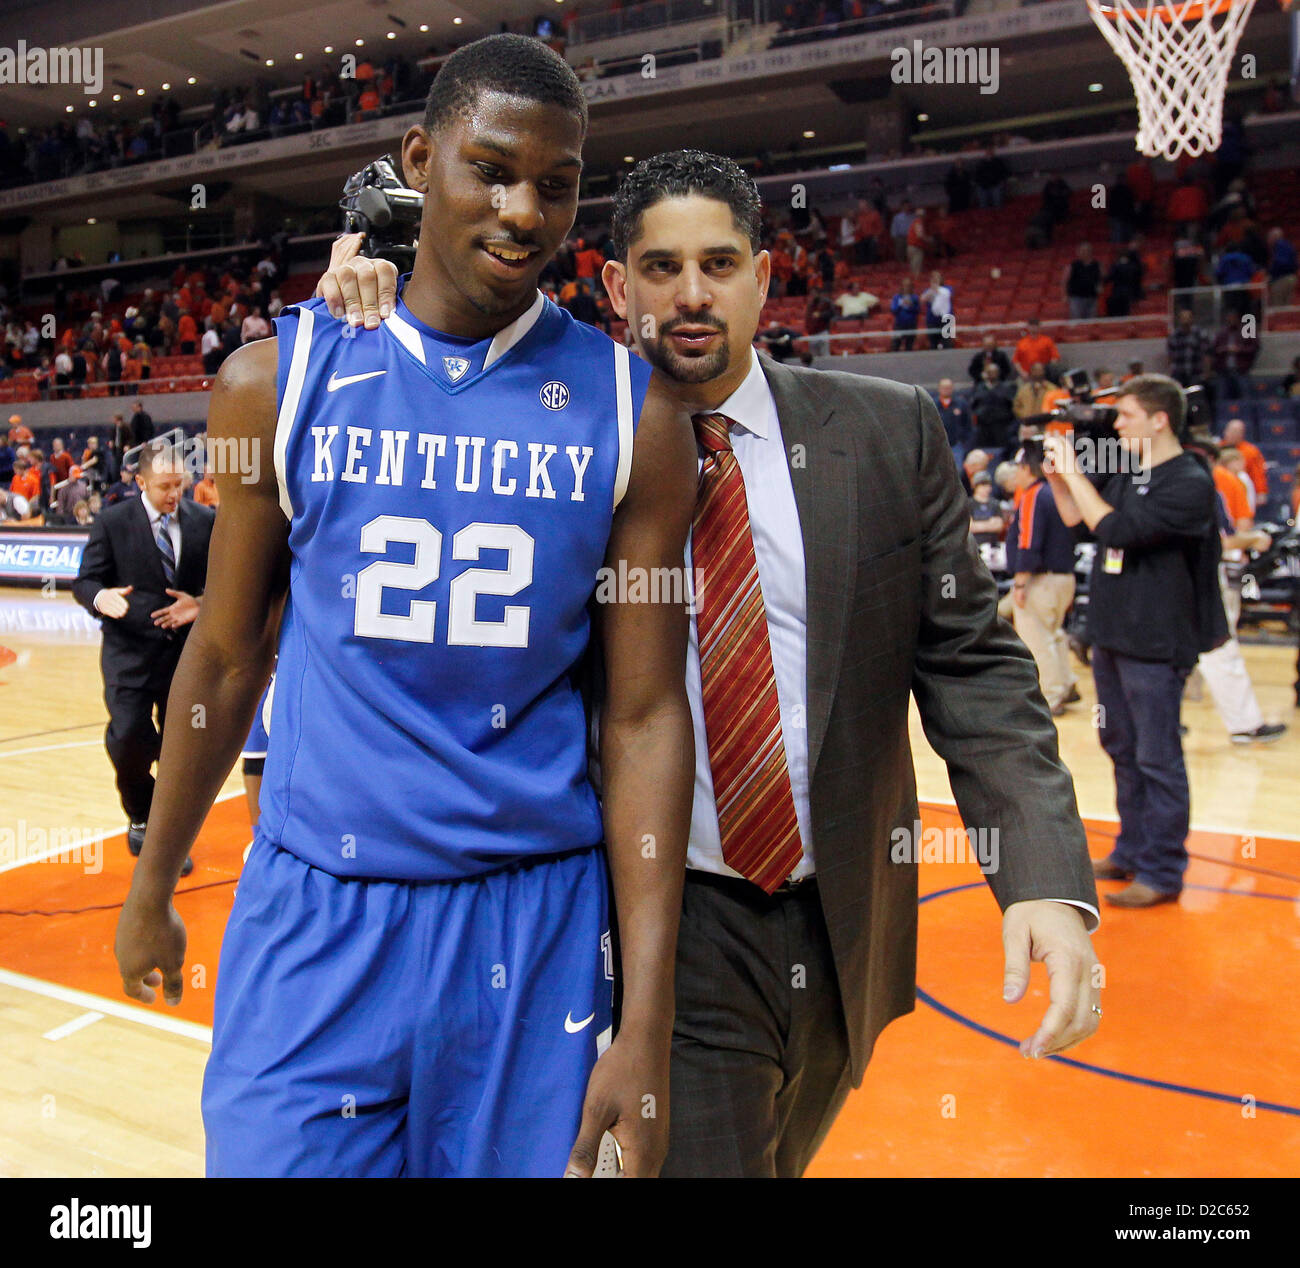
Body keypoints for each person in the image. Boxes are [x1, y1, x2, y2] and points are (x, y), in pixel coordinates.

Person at [327, 149, 1105, 1178]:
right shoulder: (550, 441)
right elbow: (389, 448)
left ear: (764, 274)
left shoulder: (886, 430)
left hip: (841, 921)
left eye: (718, 263)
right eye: (658, 268)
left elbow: (972, 666)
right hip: (660, 919)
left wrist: (1043, 877)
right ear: (614, 284)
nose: (690, 295)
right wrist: (360, 296)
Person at [113, 34, 695, 1181]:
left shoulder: (635, 416)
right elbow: (226, 658)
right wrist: (152, 880)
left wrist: (648, 1018)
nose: (525, 210)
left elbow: (641, 718)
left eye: (559, 183)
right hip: (314, 908)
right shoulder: (274, 382)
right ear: (421, 159)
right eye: (491, 169)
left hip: (528, 923)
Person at [1044, 376, 1228, 908]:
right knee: (1121, 748)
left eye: (1125, 416)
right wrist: (1059, 479)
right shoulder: (1132, 472)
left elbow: (1120, 532)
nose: (1116, 425)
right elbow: (1082, 520)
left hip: (1156, 640)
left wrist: (1076, 471)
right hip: (1113, 637)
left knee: (1157, 756)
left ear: (1159, 418)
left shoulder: (1190, 480)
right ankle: (1130, 850)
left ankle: (1163, 869)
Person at [72, 439, 214, 873]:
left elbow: (227, 586)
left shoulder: (205, 520)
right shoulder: (113, 521)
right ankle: (140, 809)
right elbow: (84, 581)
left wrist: (201, 603)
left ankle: (164, 837)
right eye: (164, 486)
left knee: (181, 750)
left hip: (184, 658)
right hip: (128, 653)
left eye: (180, 485)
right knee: (130, 737)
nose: (174, 494)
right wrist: (100, 598)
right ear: (139, 482)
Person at [1006, 444, 1079, 715]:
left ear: (1026, 469)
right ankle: (1067, 684)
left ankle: (1050, 696)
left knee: (1037, 639)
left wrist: (1021, 581)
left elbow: (1029, 539)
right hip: (1064, 577)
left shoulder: (1034, 494)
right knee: (1054, 633)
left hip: (1041, 578)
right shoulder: (1055, 491)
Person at [970, 361, 1017, 460]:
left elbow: (1011, 407)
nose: (992, 374)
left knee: (1001, 453)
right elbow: (973, 406)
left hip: (1001, 426)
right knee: (984, 452)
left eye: (994, 372)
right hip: (983, 426)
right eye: (990, 372)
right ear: (986, 374)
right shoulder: (979, 388)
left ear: (998, 373)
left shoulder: (1006, 388)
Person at [931, 376, 970, 467]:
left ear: (952, 388)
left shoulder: (961, 403)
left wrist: (965, 442)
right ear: (939, 389)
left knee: (958, 470)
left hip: (957, 444)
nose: (946, 390)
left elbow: (968, 424)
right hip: (938, 445)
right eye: (944, 387)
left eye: (948, 387)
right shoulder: (932, 404)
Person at [1166, 308, 1208, 389]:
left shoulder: (1200, 334)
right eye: (1183, 318)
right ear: (1179, 320)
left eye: (1188, 317)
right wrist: (1170, 371)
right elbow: (1170, 356)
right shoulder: (1174, 336)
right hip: (1178, 372)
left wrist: (1206, 372)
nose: (1185, 320)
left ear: (1192, 319)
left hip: (1195, 372)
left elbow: (1206, 354)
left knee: (1195, 397)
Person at [1064, 241, 1101, 320]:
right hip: (1076, 298)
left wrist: (1100, 286)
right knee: (1077, 320)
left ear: (1090, 252)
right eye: (1081, 251)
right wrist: (1065, 295)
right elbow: (1065, 281)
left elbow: (1101, 279)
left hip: (1092, 297)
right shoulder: (1073, 265)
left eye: (1086, 251)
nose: (1083, 253)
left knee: (1091, 320)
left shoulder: (1097, 265)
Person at [889, 276, 920, 351]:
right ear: (902, 286)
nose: (906, 287)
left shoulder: (915, 297)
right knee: (895, 345)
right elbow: (893, 310)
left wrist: (911, 305)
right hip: (899, 325)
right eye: (905, 285)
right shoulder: (897, 297)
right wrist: (901, 304)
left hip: (911, 325)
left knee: (909, 346)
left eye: (908, 285)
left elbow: (918, 310)